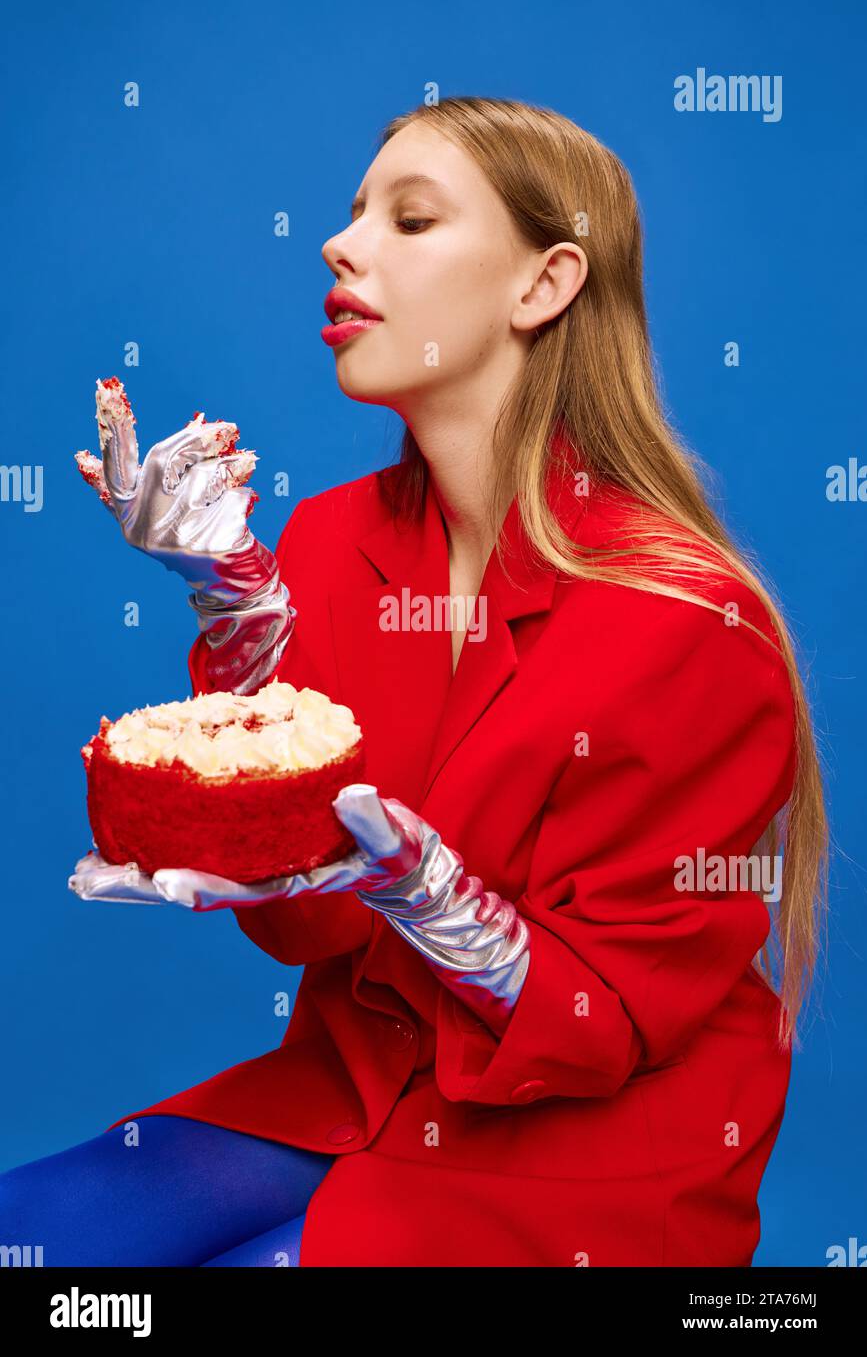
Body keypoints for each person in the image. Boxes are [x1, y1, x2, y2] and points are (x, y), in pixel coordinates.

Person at [0, 96, 828, 1267]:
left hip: (591, 1153)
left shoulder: (694, 620)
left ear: (542, 286)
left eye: (412, 219)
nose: (342, 246)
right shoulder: (334, 544)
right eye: (351, 215)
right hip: (360, 1088)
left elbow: (608, 1025)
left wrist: (439, 900)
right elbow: (306, 924)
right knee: (27, 1243)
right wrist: (233, 603)